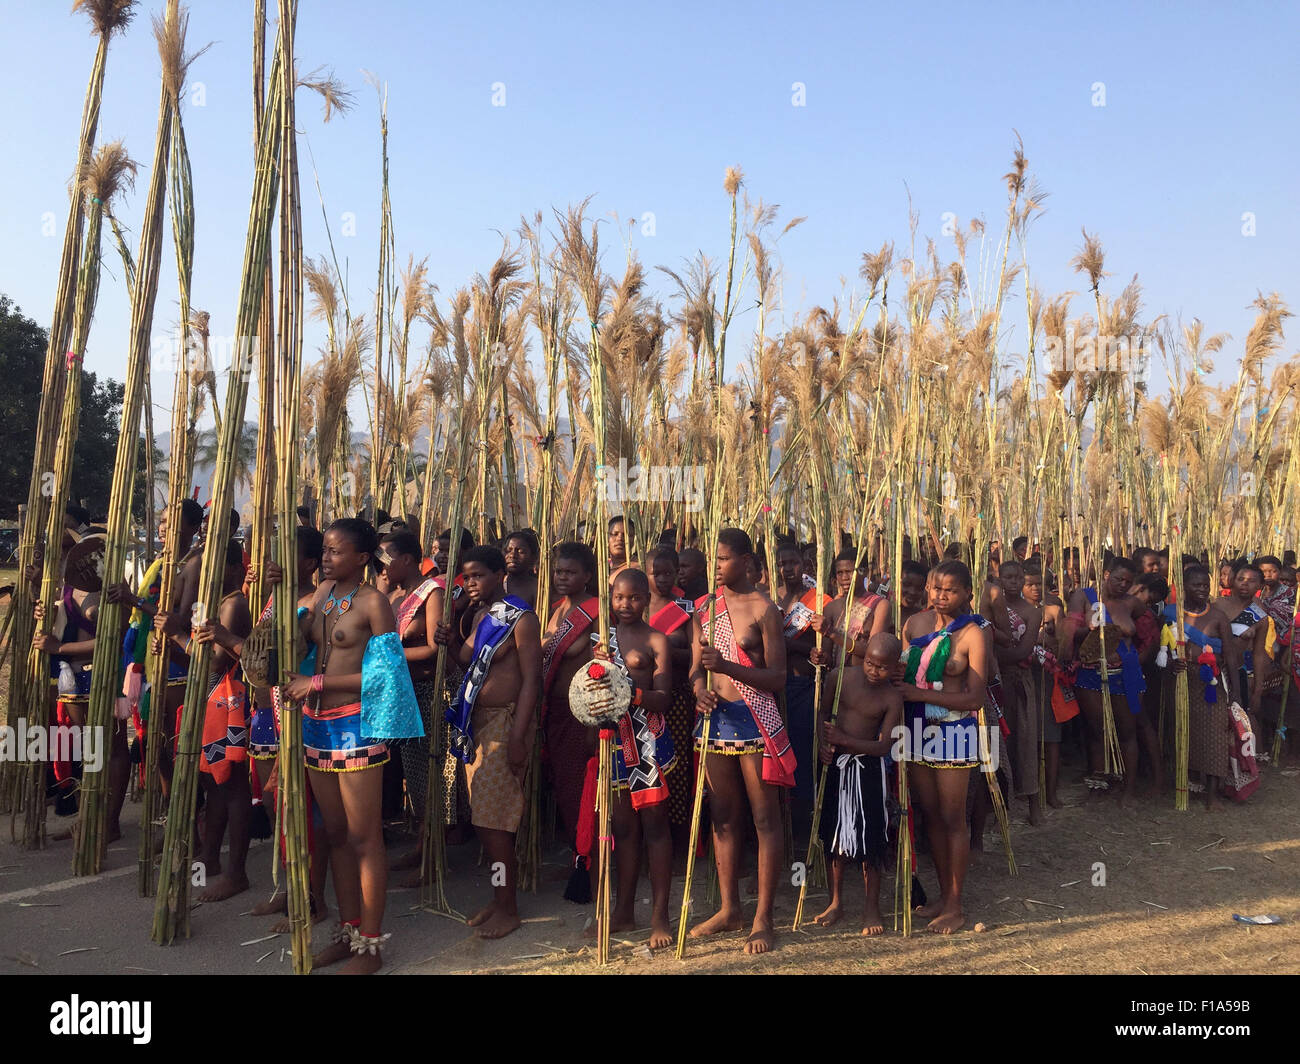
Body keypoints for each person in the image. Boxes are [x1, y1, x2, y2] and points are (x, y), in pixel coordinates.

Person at [282, 518, 423, 973]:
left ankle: (372, 947)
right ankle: (348, 930)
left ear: (362, 559)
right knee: (335, 834)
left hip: (356, 728)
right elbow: (292, 648)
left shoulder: (373, 603)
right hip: (316, 726)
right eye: (324, 550)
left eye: (336, 551)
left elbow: (387, 675)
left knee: (365, 837)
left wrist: (317, 681)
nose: (326, 558)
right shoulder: (319, 597)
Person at [689, 528, 793, 955]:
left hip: (755, 721)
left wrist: (729, 666)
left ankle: (763, 917)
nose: (716, 566)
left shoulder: (764, 609)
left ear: (746, 561)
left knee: (764, 819)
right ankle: (729, 907)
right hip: (716, 723)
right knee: (724, 818)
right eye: (714, 559)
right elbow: (696, 669)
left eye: (724, 559)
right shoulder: (705, 607)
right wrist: (699, 690)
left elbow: (777, 677)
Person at [436, 545, 540, 940]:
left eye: (478, 575)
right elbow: (465, 665)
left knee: (495, 822)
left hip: (505, 724)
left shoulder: (521, 619)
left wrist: (517, 737)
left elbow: (533, 679)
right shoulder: (480, 617)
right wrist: (446, 642)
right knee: (485, 819)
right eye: (466, 577)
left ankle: (508, 907)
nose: (471, 584)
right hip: (476, 723)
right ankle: (499, 898)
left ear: (500, 575)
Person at [899, 560, 992, 935]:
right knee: (931, 816)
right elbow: (902, 673)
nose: (940, 595)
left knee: (954, 819)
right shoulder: (914, 625)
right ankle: (941, 895)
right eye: (936, 588)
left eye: (950, 589)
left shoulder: (973, 634)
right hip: (918, 730)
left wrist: (916, 692)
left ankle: (956, 904)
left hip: (955, 733)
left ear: (968, 593)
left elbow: (975, 698)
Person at [599, 568, 675, 948]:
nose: (625, 605)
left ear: (646, 599)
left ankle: (660, 915)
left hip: (647, 741)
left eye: (633, 598)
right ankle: (625, 910)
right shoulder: (602, 639)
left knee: (655, 827)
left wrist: (633, 696)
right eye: (618, 598)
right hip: (612, 742)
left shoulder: (655, 639)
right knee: (624, 828)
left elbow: (666, 697)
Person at [813, 632, 903, 935]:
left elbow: (882, 747)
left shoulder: (892, 697)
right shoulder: (839, 677)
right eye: (869, 663)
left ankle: (871, 907)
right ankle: (835, 901)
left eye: (882, 667)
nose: (873, 671)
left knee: (872, 838)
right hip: (836, 766)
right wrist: (824, 743)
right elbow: (822, 713)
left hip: (868, 768)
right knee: (834, 834)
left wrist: (845, 741)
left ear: (894, 668)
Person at [187, 538, 253, 902]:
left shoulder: (233, 605)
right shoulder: (213, 605)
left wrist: (180, 636)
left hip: (229, 706)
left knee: (232, 785)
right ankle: (210, 857)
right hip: (210, 703)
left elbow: (214, 660)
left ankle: (236, 872)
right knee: (213, 783)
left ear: (228, 568)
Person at [377, 531, 440, 881]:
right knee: (409, 773)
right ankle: (419, 846)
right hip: (400, 693)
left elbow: (433, 647)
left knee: (427, 774)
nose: (383, 567)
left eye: (387, 559)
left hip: (427, 691)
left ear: (406, 559)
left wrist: (385, 657)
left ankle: (432, 853)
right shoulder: (393, 595)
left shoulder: (432, 593)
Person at [1059, 555, 1145, 803]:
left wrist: (1143, 656)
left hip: (1125, 673)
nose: (1122, 585)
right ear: (1106, 574)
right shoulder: (1085, 596)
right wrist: (1092, 630)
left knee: (1127, 731)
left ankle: (1128, 790)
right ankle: (1099, 787)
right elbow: (1071, 632)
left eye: (1128, 582)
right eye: (1118, 579)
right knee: (1098, 731)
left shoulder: (1132, 604)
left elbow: (1149, 631)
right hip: (1090, 672)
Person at [540, 541, 600, 885]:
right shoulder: (555, 609)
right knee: (565, 787)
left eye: (571, 572)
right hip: (556, 711)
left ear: (587, 576)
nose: (562, 577)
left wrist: (594, 721)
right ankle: (580, 855)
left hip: (583, 714)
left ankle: (589, 860)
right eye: (559, 571)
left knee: (583, 788)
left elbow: (601, 667)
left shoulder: (594, 612)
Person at [985, 559, 1042, 824]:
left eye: (1018, 578)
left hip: (1021, 681)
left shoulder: (1031, 612)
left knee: (1027, 739)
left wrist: (995, 653)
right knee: (998, 740)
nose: (1013, 582)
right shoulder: (990, 605)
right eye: (1007, 577)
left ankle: (1033, 801)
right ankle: (998, 806)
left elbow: (1023, 650)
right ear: (999, 578)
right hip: (994, 681)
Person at [647, 545, 696, 847]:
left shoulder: (686, 608)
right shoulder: (636, 605)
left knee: (676, 766)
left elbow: (695, 653)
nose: (662, 579)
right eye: (656, 573)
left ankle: (678, 836)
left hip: (677, 699)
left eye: (669, 573)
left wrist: (664, 651)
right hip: (641, 700)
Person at [775, 541, 826, 823]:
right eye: (781, 564)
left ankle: (805, 820)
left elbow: (823, 646)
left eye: (791, 563)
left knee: (803, 755)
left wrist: (808, 650)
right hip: (774, 687)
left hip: (804, 686)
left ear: (804, 565)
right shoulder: (770, 597)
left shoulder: (818, 601)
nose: (786, 569)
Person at [1180, 564, 1237, 809]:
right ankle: (1190, 784)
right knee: (1187, 734)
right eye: (1197, 585)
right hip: (1182, 681)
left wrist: (1235, 691)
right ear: (1184, 586)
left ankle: (1212, 794)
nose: (1202, 589)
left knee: (1215, 735)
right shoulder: (1173, 614)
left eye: (1206, 585)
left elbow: (1231, 655)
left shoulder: (1217, 616)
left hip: (1212, 684)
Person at [1022, 561, 1063, 807]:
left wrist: (1046, 642)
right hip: (1023, 678)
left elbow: (1062, 644)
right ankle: (1028, 794)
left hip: (1048, 679)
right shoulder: (1011, 612)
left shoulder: (1054, 611)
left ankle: (1051, 791)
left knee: (1050, 736)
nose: (1035, 588)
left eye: (1040, 584)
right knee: (1027, 737)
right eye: (1030, 584)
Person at [502, 529, 540, 609]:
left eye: (521, 552)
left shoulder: (537, 589)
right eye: (508, 550)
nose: (512, 555)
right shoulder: (497, 583)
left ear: (533, 557)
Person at [608, 516, 638, 584]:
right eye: (615, 534)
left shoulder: (638, 568)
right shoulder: (601, 568)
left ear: (633, 539)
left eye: (625, 535)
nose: (620, 538)